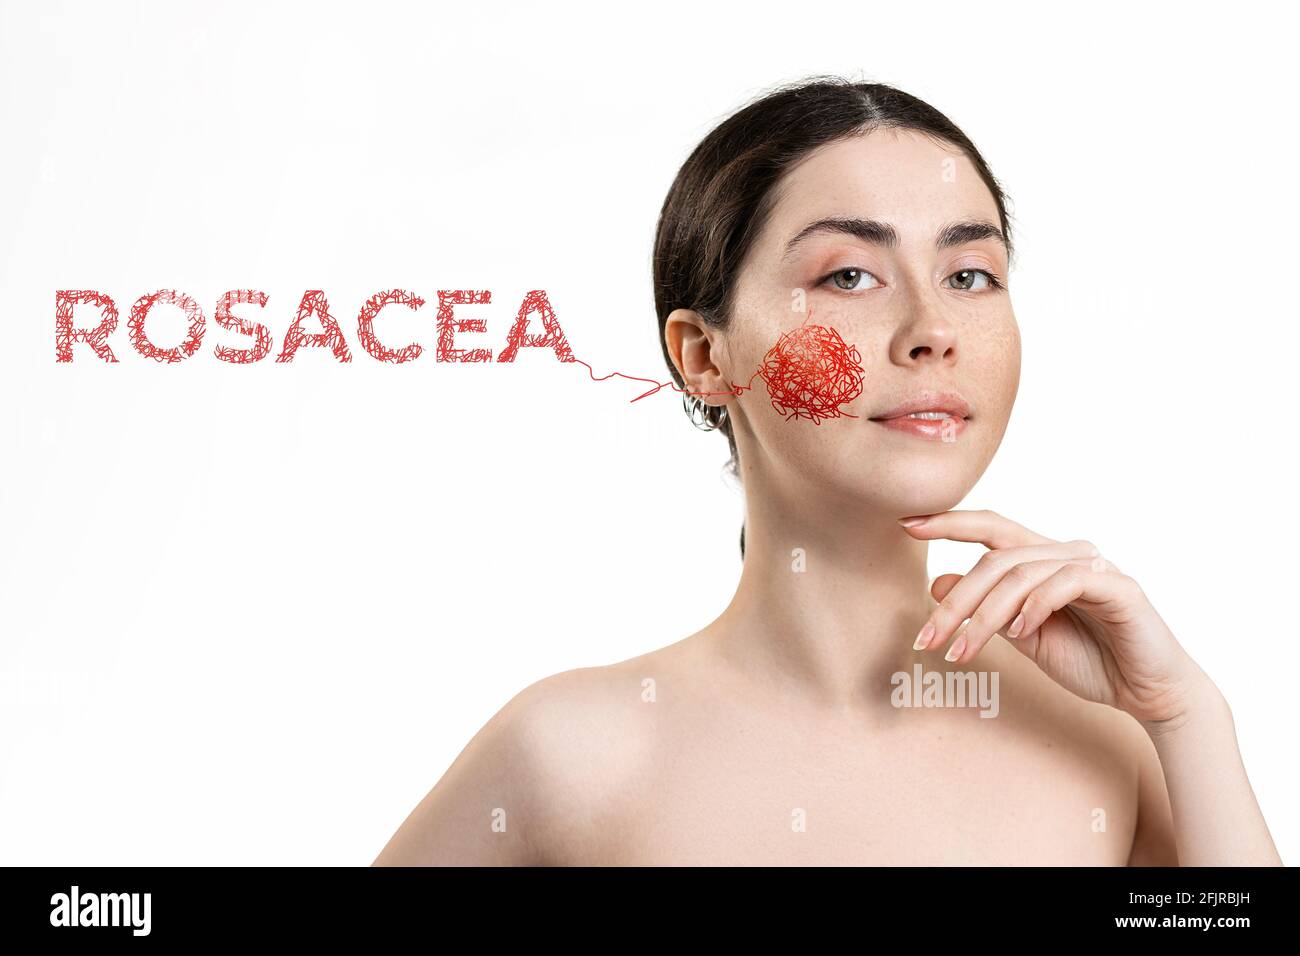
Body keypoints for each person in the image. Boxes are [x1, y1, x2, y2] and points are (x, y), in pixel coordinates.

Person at [373, 76, 1281, 866]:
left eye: (970, 275)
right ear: (702, 354)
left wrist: (1187, 716)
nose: (934, 328)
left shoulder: (1109, 747)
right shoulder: (571, 754)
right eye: (849, 275)